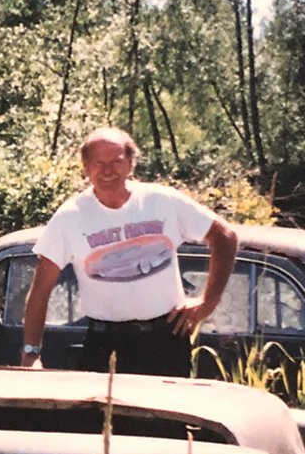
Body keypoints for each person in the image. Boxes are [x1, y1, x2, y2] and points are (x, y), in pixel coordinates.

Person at [21, 127, 238, 377]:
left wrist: (208, 302)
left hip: (164, 342)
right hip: (102, 344)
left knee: (163, 417)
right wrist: (30, 353)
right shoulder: (70, 217)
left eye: (116, 161)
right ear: (85, 166)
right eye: (99, 163)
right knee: (98, 416)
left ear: (131, 163)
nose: (107, 170)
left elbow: (225, 237)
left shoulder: (162, 201)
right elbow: (40, 290)